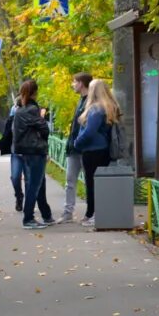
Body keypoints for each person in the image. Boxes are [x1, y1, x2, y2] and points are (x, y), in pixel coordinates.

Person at [74, 79, 121, 227]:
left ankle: (93, 214)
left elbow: (89, 132)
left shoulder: (95, 109)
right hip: (103, 150)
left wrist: (77, 142)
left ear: (93, 91)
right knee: (99, 183)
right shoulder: (110, 107)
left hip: (92, 151)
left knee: (91, 183)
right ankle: (92, 213)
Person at [11, 79, 55, 229]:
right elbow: (44, 129)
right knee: (34, 185)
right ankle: (28, 218)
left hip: (26, 151)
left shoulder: (20, 109)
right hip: (35, 151)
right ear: (35, 93)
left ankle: (46, 215)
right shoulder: (31, 109)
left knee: (39, 183)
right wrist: (42, 118)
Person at [61, 72, 92, 222]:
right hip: (74, 148)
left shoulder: (90, 102)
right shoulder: (80, 100)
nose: (73, 85)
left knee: (89, 181)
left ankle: (90, 212)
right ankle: (68, 213)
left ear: (81, 83)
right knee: (69, 181)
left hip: (85, 149)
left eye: (74, 82)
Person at [0, 100, 25, 212]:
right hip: (16, 152)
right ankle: (19, 196)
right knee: (15, 177)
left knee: (29, 179)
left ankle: (30, 204)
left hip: (29, 153)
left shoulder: (33, 113)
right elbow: (7, 134)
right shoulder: (13, 115)